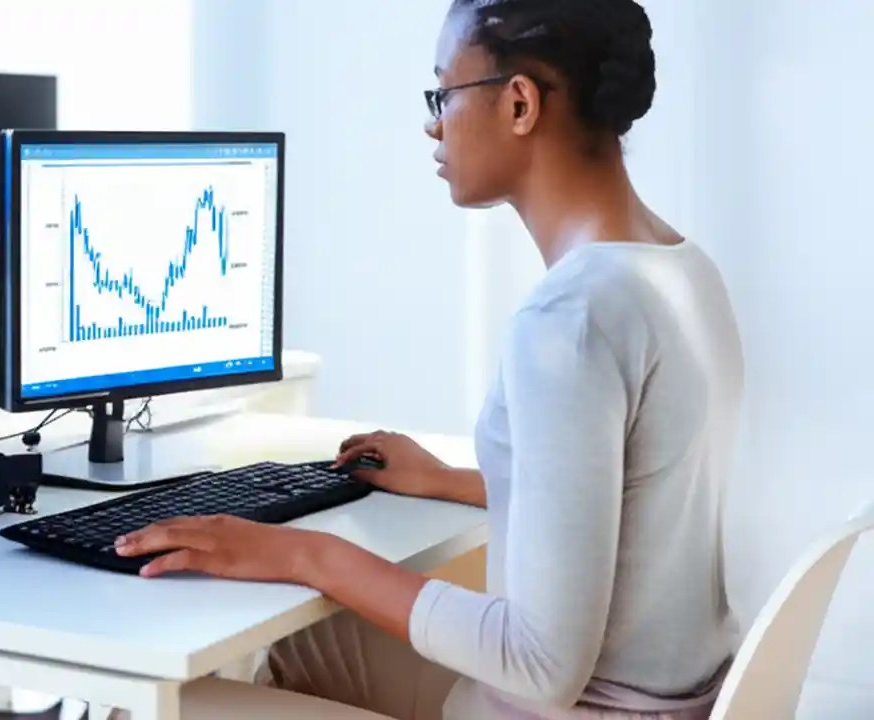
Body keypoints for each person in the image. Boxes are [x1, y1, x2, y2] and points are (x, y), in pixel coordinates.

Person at [114, 0, 745, 717]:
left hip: (568, 709)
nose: (433, 123)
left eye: (444, 92)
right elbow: (627, 495)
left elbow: (537, 665)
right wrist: (449, 480)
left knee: (161, 702)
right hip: (671, 702)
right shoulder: (678, 268)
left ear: (518, 103)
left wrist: (298, 552)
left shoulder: (571, 319)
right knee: (303, 649)